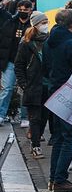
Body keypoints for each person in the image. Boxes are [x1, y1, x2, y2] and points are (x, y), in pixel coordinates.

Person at [44, 9, 72, 192]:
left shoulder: (48, 42)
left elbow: (46, 67)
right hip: (69, 92)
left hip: (54, 90)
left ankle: (54, 178)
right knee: (71, 137)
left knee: (60, 137)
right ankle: (60, 179)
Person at [13, 13, 50, 159]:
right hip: (33, 85)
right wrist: (24, 84)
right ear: (35, 24)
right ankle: (36, 145)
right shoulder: (26, 43)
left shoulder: (49, 41)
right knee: (35, 117)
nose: (46, 24)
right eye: (43, 22)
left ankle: (37, 137)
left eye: (47, 21)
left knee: (44, 117)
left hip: (48, 85)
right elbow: (19, 65)